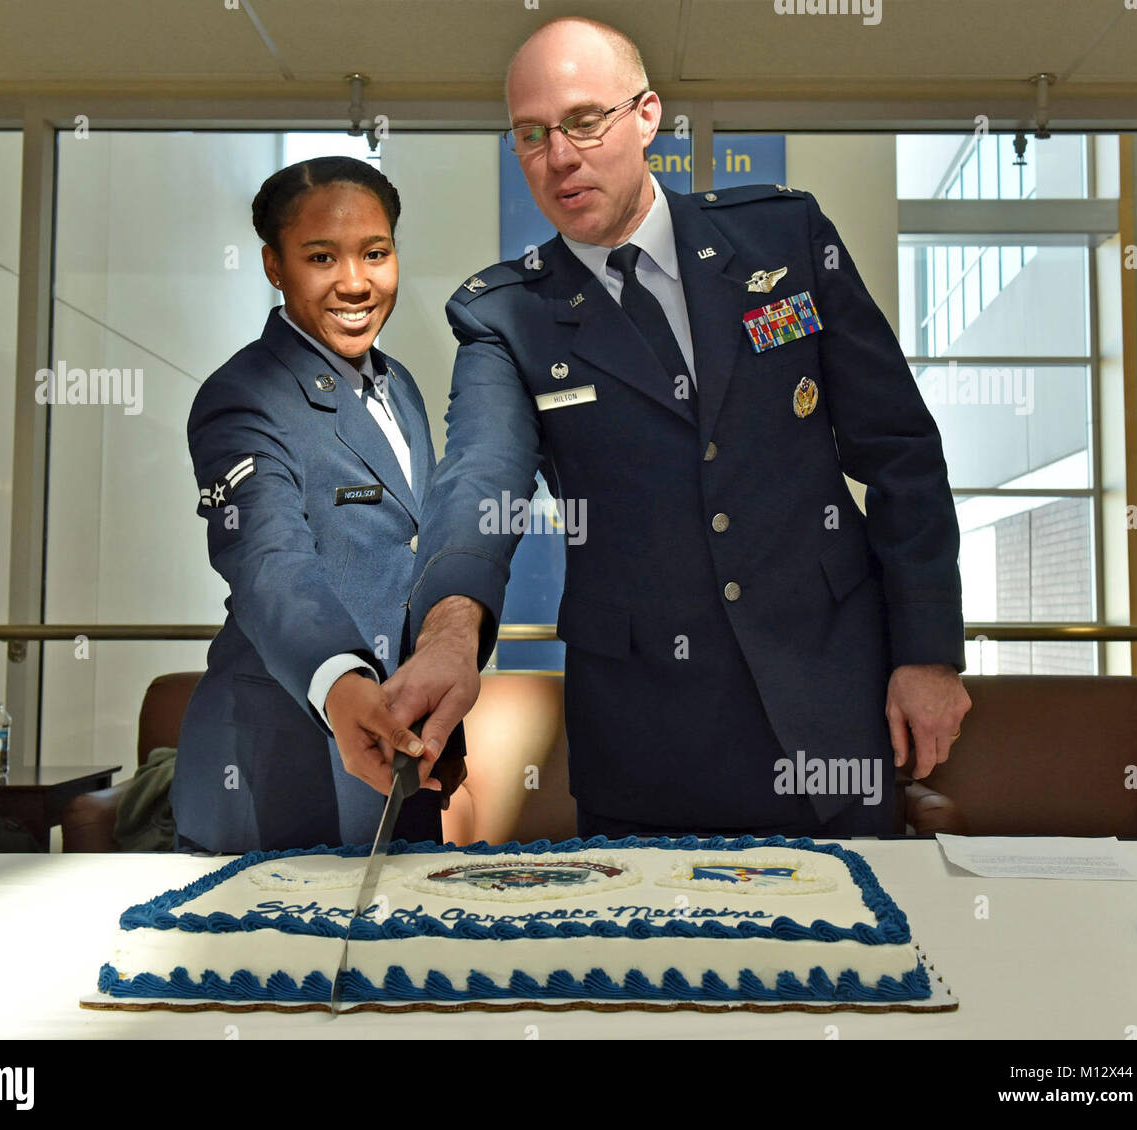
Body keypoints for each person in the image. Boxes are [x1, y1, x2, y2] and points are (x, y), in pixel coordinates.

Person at [384, 17, 971, 839]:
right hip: (646, 738)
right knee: (654, 962)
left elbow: (900, 449)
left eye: (585, 121)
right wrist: (449, 631)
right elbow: (482, 477)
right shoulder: (507, 314)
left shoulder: (784, 238)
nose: (559, 157)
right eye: (530, 135)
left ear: (648, 116)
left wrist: (927, 651)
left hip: (828, 710)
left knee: (850, 955)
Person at [169, 156, 464, 854]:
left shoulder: (402, 389)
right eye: (321, 257)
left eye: (376, 253)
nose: (355, 282)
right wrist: (340, 680)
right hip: (277, 772)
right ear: (274, 266)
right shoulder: (243, 395)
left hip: (398, 762)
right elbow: (268, 560)